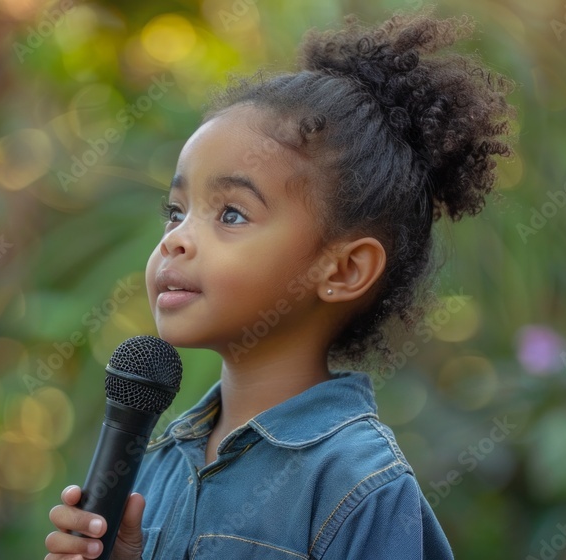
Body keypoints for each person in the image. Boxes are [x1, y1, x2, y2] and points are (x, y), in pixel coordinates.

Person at [45, 9, 515, 560]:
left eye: (232, 215)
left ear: (343, 270)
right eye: (175, 212)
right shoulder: (153, 467)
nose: (176, 240)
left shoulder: (359, 486)